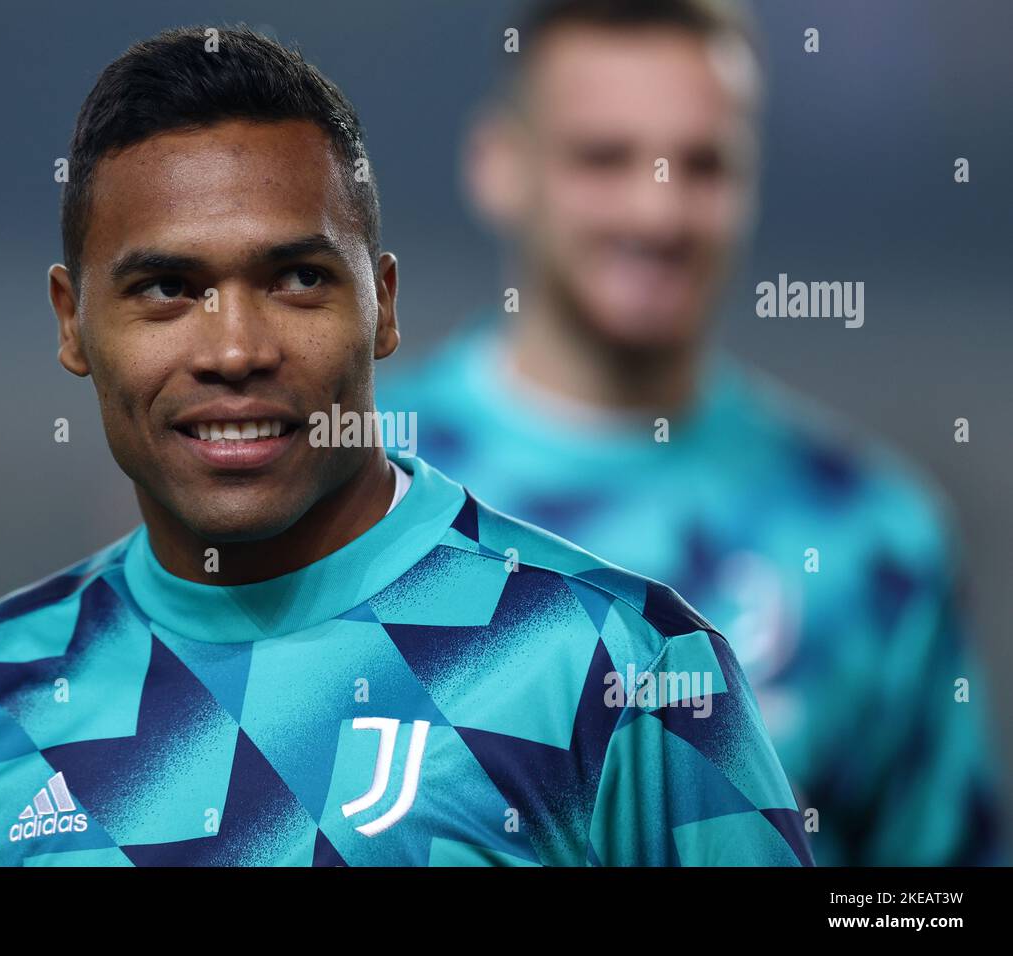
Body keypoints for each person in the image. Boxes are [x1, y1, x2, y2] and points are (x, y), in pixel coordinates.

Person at [0, 25, 809, 867]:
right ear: (71, 323)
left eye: (296, 278)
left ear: (382, 304)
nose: (237, 349)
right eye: (165, 288)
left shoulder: (620, 664)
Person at [378, 0, 1002, 865]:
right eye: (605, 158)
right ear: (498, 166)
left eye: (703, 166)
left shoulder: (873, 539)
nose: (658, 214)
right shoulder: (347, 481)